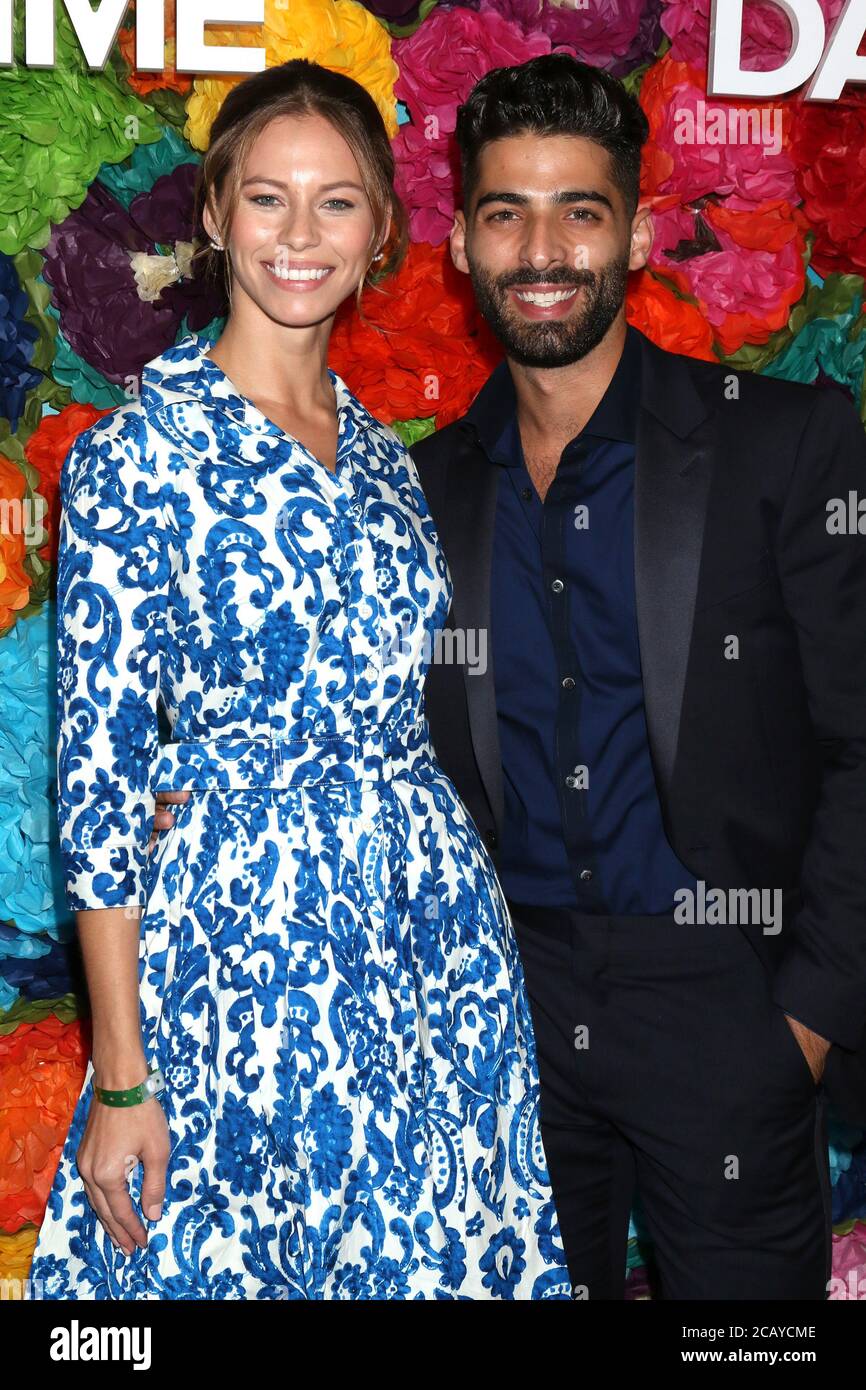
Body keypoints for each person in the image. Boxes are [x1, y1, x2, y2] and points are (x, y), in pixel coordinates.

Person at [28, 58, 571, 1301]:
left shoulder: (388, 459)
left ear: (382, 230)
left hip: (429, 943)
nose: (297, 234)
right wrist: (122, 1077)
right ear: (214, 215)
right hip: (242, 956)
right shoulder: (134, 457)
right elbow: (100, 788)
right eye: (265, 198)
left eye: (335, 202)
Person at [409, 53, 866, 1299]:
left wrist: (799, 1024)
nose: (541, 249)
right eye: (505, 213)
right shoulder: (420, 489)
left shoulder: (780, 443)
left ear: (640, 235)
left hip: (721, 996)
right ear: (459, 244)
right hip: (502, 1011)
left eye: (579, 210)